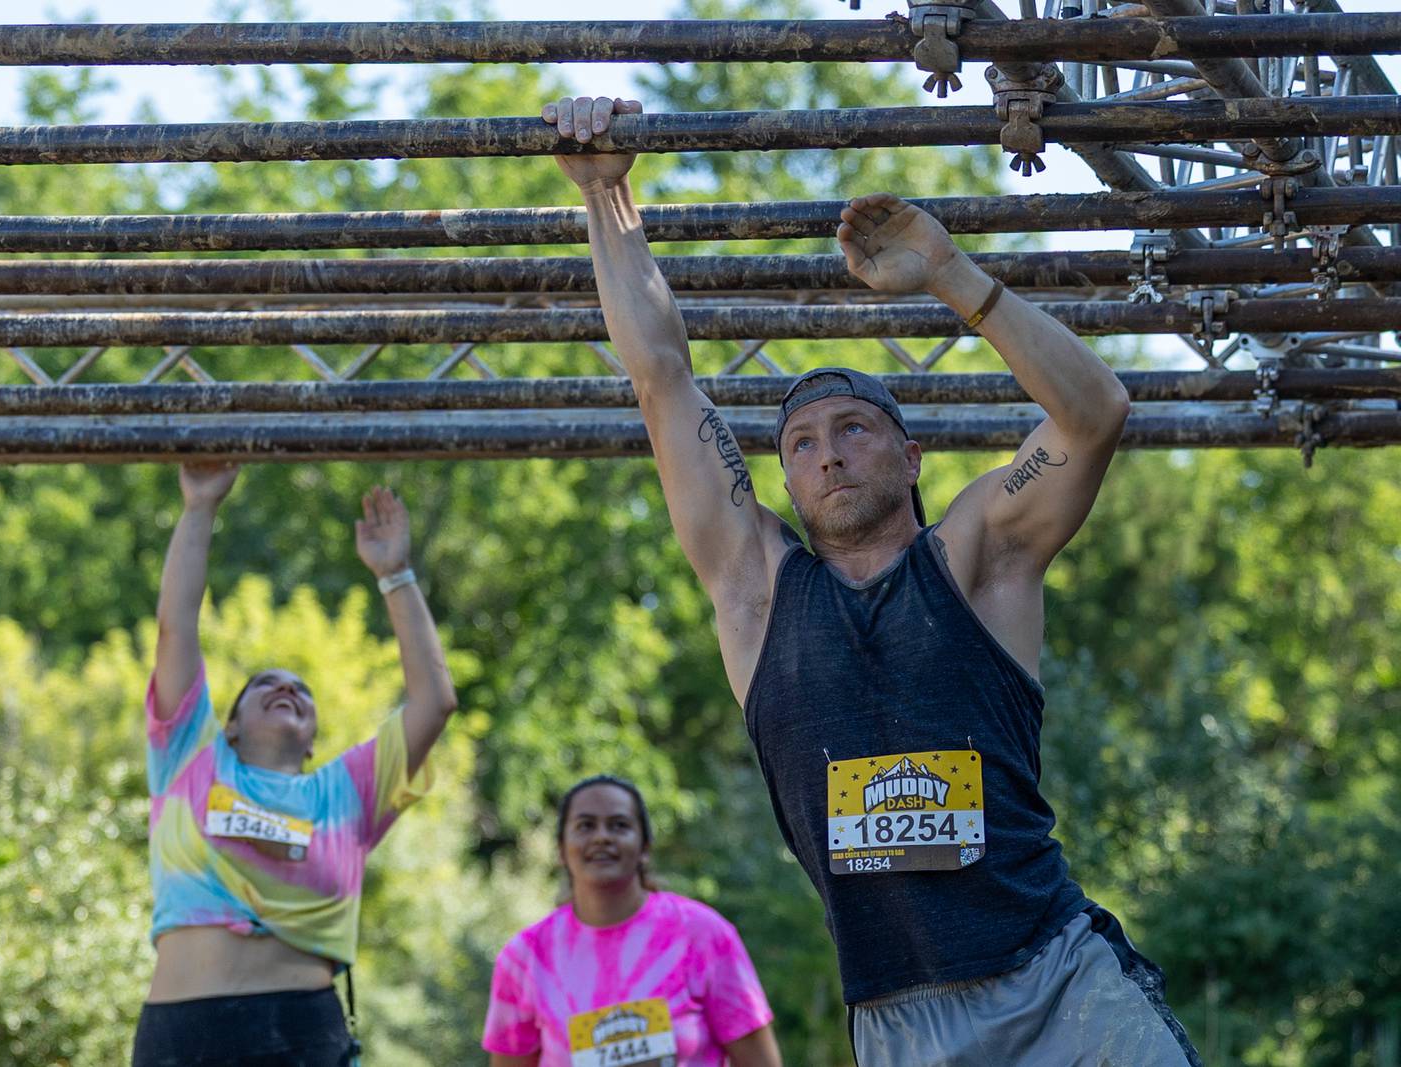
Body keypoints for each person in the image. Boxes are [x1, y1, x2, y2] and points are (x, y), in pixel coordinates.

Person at [542, 95, 1202, 1066]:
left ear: (910, 453)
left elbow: (1095, 411)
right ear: (784, 477)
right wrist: (607, 192)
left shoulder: (977, 556)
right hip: (898, 1018)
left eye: (854, 427)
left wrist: (951, 275)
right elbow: (663, 378)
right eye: (802, 442)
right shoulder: (758, 588)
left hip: (1058, 983)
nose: (828, 453)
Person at [133, 463, 457, 1067]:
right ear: (226, 723)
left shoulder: (348, 792)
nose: (287, 688)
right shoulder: (191, 759)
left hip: (300, 1032)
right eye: (265, 685)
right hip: (184, 1033)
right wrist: (200, 506)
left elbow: (435, 701)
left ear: (312, 737)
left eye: (301, 690)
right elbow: (176, 629)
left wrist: (395, 575)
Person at [483, 775, 782, 1067]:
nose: (602, 837)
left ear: (645, 848)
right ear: (562, 849)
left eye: (619, 825)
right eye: (585, 826)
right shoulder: (523, 958)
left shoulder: (702, 935)